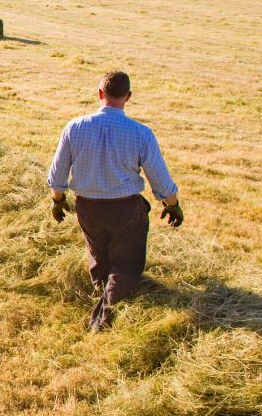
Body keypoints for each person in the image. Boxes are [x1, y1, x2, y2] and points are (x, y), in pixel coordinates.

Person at [47, 70, 183, 331]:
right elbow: (161, 180)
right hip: (125, 210)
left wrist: (58, 201)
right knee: (127, 264)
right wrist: (172, 205)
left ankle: (101, 293)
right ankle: (105, 317)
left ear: (99, 94)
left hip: (87, 208)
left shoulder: (75, 127)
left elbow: (57, 176)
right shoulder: (141, 133)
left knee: (99, 255)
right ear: (128, 97)